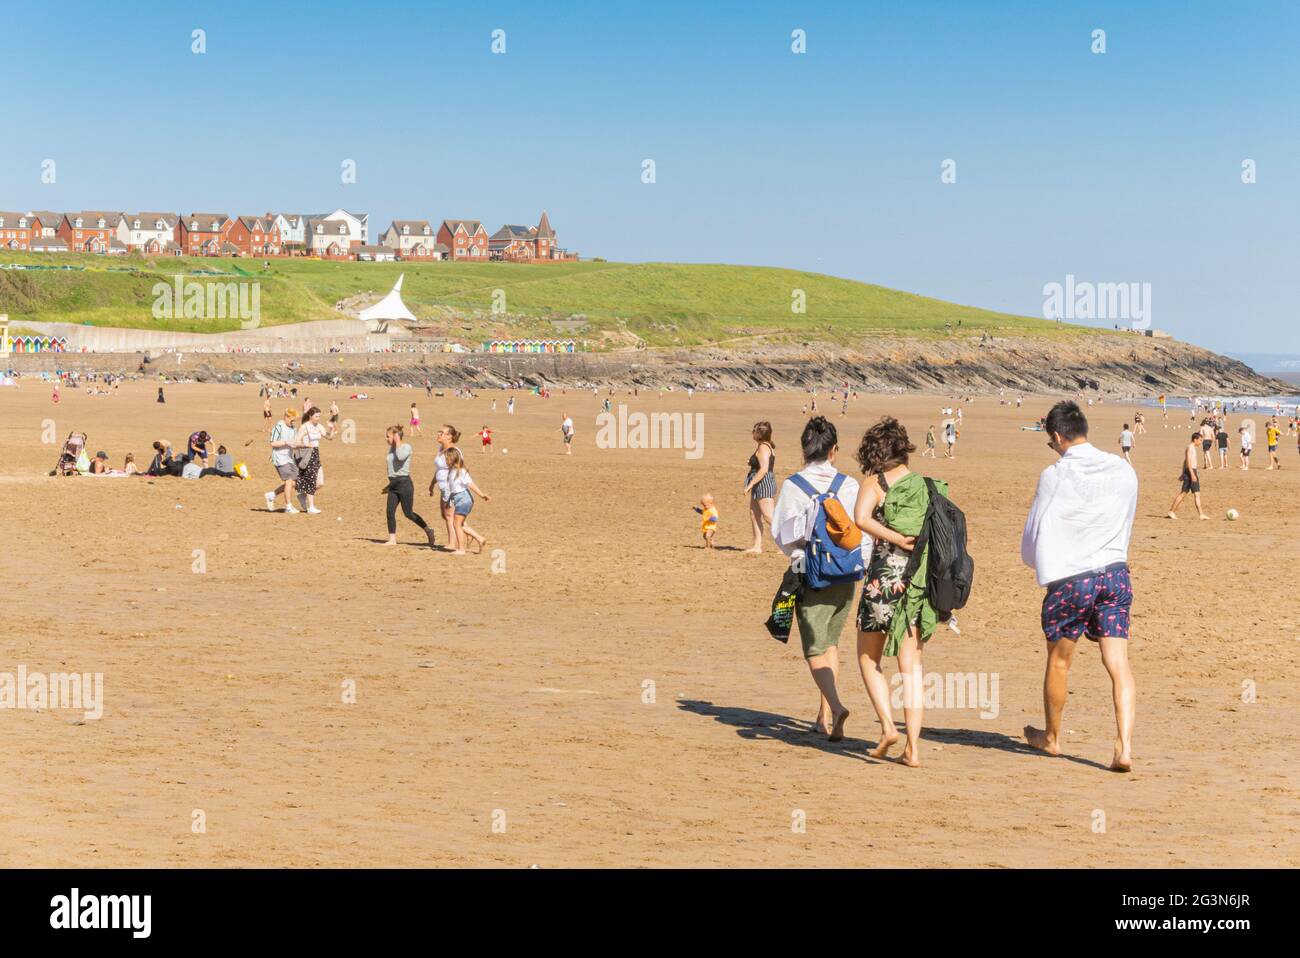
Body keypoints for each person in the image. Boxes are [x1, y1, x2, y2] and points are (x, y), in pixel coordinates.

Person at [1021, 401, 1138, 772]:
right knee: (1118, 663)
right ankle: (1124, 747)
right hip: (1115, 573)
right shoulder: (1122, 469)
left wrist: (1039, 561)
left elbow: (1033, 535)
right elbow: (1126, 518)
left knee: (1059, 661)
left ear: (1057, 436)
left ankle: (1052, 739)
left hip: (1073, 579)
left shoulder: (1054, 475)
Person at [852, 417, 947, 766]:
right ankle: (913, 748)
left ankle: (889, 727)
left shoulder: (874, 483)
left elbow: (861, 519)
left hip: (883, 580)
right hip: (917, 583)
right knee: (911, 667)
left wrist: (891, 538)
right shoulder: (925, 486)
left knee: (868, 657)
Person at [772, 417, 861, 743]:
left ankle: (835, 708)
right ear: (834, 451)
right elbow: (859, 531)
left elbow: (781, 535)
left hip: (810, 574)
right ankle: (823, 716)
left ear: (803, 450)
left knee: (814, 648)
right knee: (831, 643)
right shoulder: (849, 485)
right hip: (846, 575)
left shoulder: (795, 485)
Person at [384, 426, 436, 548]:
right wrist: (390, 484)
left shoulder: (406, 447)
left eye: (388, 436)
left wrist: (397, 442)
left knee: (408, 513)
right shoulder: (392, 449)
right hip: (393, 484)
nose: (386, 439)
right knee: (389, 512)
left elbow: (401, 457)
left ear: (396, 436)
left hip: (404, 484)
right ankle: (392, 539)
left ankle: (428, 530)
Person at [442, 447, 490, 554]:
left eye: (447, 458)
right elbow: (453, 489)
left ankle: (461, 549)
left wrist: (482, 495)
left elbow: (471, 485)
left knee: (456, 524)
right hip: (457, 498)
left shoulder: (461, 471)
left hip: (464, 499)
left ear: (453, 458)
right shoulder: (451, 471)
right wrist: (450, 499)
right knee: (461, 524)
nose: (445, 460)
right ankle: (479, 539)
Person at [742, 421, 776, 554]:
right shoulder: (764, 446)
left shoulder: (763, 447)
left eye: (754, 431)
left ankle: (788, 543)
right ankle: (757, 546)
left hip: (763, 483)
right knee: (754, 515)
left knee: (768, 517)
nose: (752, 433)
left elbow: (764, 469)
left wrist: (749, 485)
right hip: (760, 483)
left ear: (759, 434)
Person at [295, 407, 334, 514]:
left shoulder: (319, 426)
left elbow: (329, 438)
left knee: (320, 482)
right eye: (316, 416)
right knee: (311, 481)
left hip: (316, 455)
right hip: (307, 455)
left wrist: (331, 429)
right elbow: (296, 442)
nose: (318, 419)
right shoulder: (304, 427)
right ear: (310, 416)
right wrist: (305, 444)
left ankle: (302, 495)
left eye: (319, 416)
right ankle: (311, 507)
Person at [430, 424, 462, 545]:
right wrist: (432, 484)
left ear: (449, 437)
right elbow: (439, 469)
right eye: (439, 431)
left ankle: (451, 543)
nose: (439, 434)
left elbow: (459, 470)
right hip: (443, 487)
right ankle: (472, 536)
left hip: (450, 488)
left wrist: (454, 489)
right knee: (446, 516)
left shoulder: (454, 451)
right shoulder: (440, 449)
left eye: (442, 432)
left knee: (450, 517)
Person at [264, 408, 301, 513]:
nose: (294, 422)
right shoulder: (278, 427)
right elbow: (272, 443)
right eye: (292, 419)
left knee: (295, 482)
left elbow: (294, 442)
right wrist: (286, 442)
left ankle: (272, 495)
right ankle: (288, 506)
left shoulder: (293, 428)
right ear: (287, 416)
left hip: (290, 458)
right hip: (279, 458)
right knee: (289, 480)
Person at [1168, 431, 1209, 519]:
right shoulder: (1190, 448)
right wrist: (1192, 474)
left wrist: (1183, 473)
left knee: (1190, 493)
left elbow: (1185, 461)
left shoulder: (1191, 447)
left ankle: (1201, 514)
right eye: (1200, 440)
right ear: (1195, 439)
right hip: (1191, 471)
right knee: (1189, 493)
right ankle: (1172, 511)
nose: (1201, 442)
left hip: (1189, 471)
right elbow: (1189, 462)